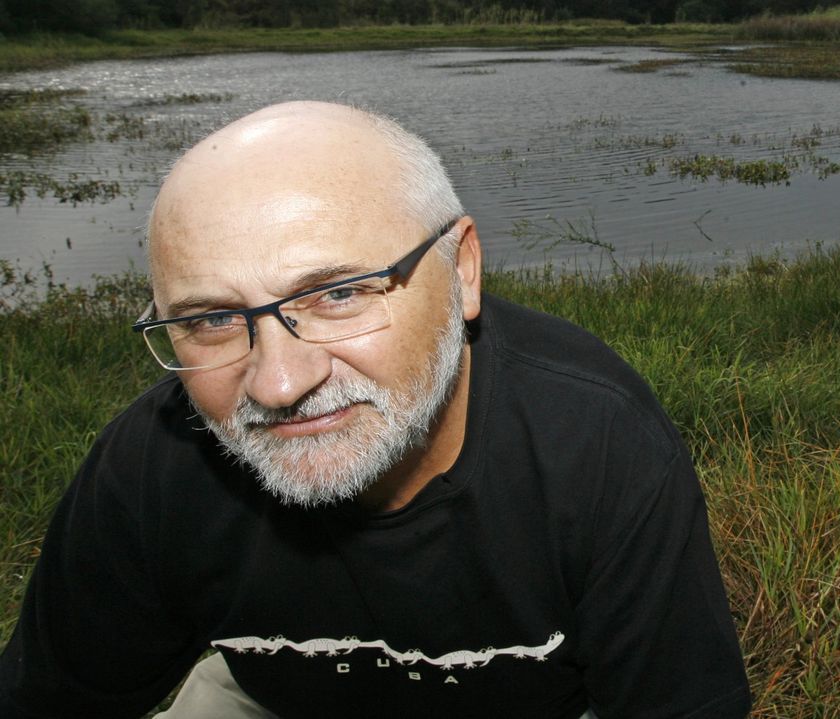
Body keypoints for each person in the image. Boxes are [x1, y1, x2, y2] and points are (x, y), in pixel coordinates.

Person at [0, 101, 750, 718]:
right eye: (214, 320)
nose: (279, 382)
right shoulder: (154, 466)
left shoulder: (598, 443)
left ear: (461, 273)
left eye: (338, 293)